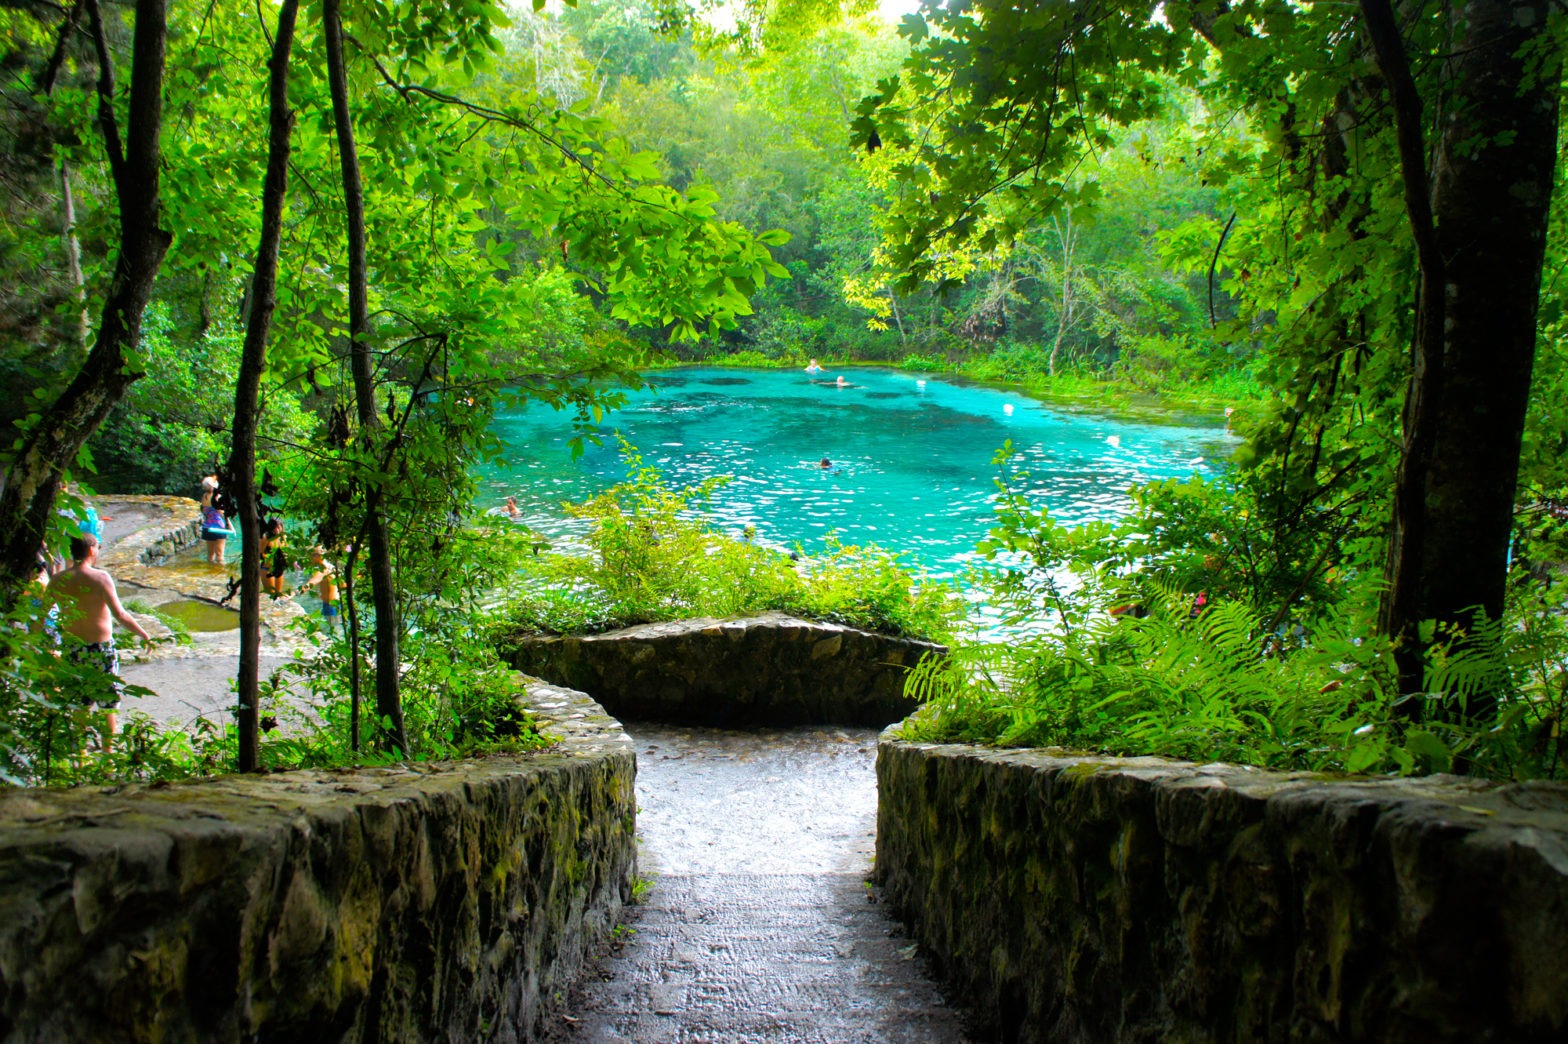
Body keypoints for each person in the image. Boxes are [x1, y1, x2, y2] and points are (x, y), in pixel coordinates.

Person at [44, 533, 150, 752]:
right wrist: (143, 634)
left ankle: (81, 758)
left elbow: (40, 615)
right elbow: (120, 614)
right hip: (101, 650)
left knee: (79, 706)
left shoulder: (58, 580)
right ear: (92, 550)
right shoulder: (101, 578)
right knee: (108, 706)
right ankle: (107, 756)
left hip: (72, 649)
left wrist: (38, 645)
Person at [306, 547, 339, 625]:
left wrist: (294, 593)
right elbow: (343, 584)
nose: (311, 558)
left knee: (331, 627)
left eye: (313, 555)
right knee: (335, 626)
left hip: (330, 605)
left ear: (320, 556)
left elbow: (311, 583)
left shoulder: (322, 570)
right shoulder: (331, 567)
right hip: (336, 602)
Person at [261, 518, 288, 597]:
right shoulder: (266, 538)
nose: (278, 529)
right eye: (276, 527)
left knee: (278, 594)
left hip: (279, 568)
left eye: (280, 527)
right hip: (268, 568)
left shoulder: (283, 537)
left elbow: (286, 550)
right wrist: (271, 558)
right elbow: (260, 553)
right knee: (270, 593)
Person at [200, 499, 230, 565]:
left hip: (207, 527)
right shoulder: (217, 497)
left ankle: (211, 572)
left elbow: (204, 511)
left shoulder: (204, 497)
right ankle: (221, 574)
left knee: (210, 555)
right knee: (220, 554)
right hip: (219, 528)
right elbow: (222, 513)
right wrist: (230, 526)